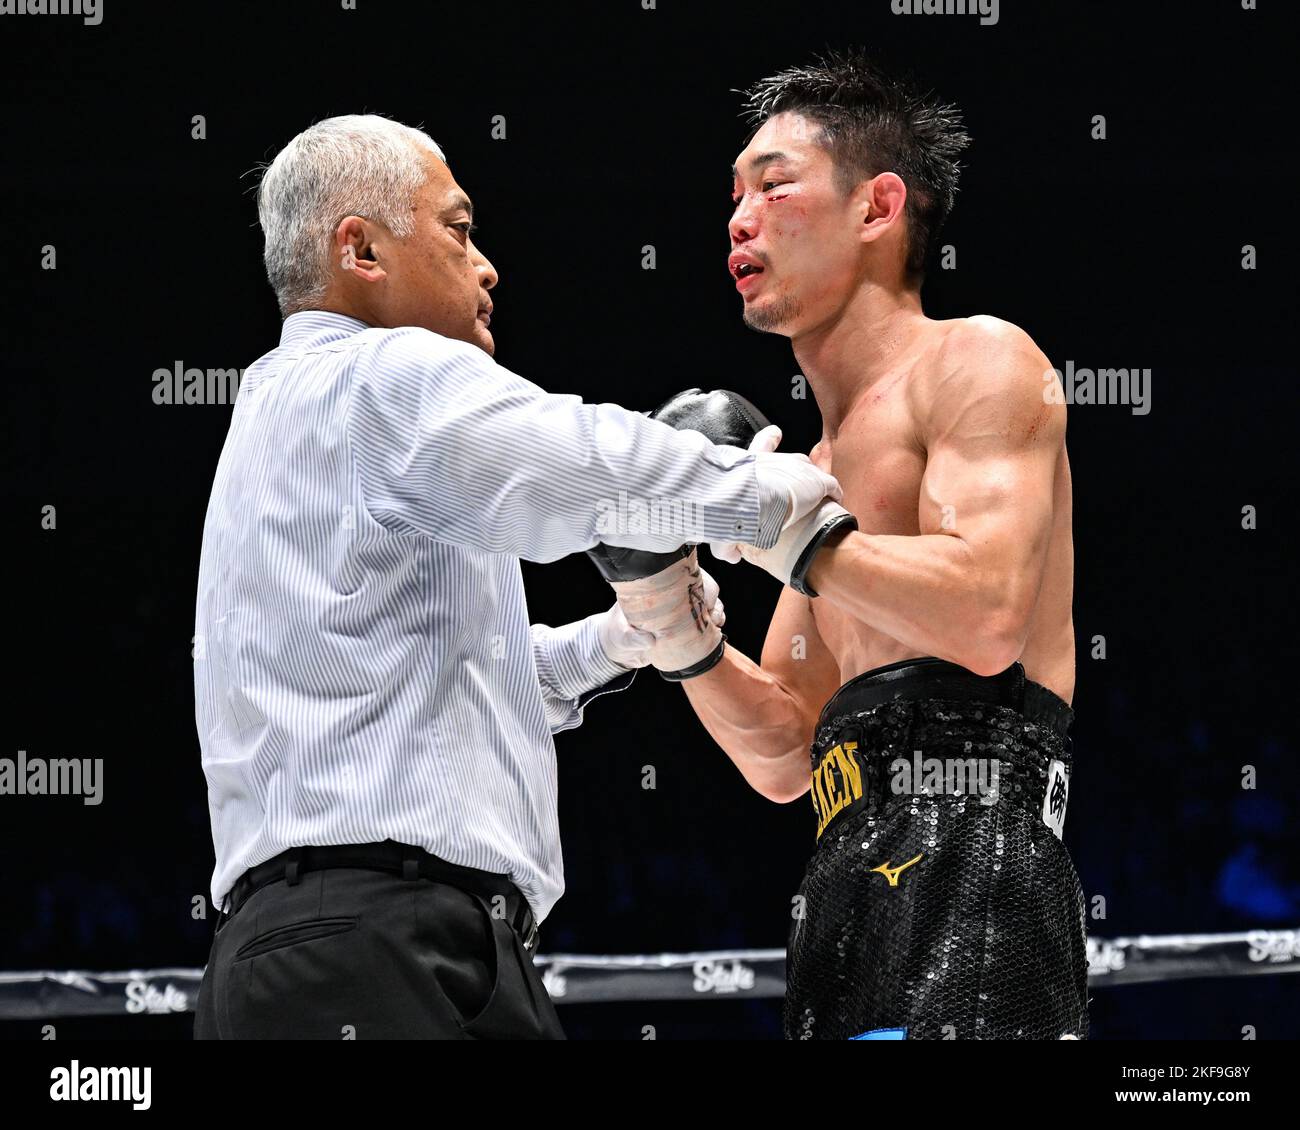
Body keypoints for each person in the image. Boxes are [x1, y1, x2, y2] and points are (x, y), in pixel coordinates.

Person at [192, 114, 843, 1040]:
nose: (487, 265)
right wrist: (758, 494)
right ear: (361, 249)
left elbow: (446, 689)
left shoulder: (284, 411)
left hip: (349, 945)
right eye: (458, 230)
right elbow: (569, 462)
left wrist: (618, 641)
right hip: (374, 946)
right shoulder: (381, 376)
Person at [613, 51, 1088, 1040]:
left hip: (979, 869)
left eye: (774, 184)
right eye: (733, 194)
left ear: (877, 206)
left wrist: (793, 533)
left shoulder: (979, 360)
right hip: (840, 890)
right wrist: (673, 624)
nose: (740, 218)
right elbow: (790, 748)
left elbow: (987, 611)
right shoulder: (817, 470)